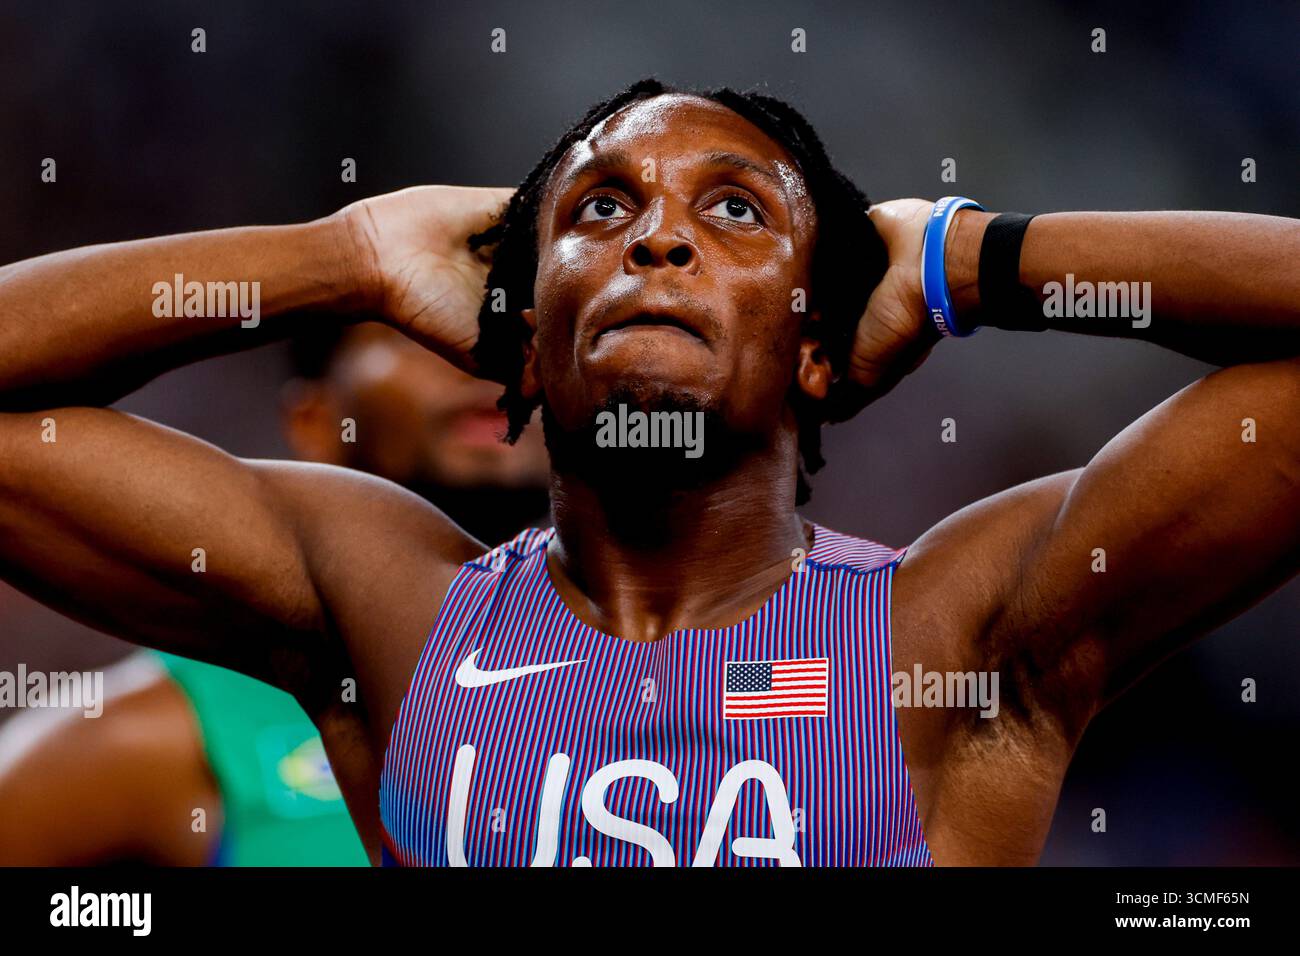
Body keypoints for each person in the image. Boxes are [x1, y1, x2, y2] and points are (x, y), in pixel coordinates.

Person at [0, 78, 1296, 866]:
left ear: (819, 345)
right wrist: (342, 254)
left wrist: (976, 260)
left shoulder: (953, 636)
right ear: (520, 345)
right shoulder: (389, 611)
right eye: (597, 212)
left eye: (737, 210)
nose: (659, 237)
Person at [0, 324, 547, 865]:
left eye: (514, 336)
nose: (481, 361)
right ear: (315, 421)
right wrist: (348, 255)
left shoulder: (625, 679)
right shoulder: (148, 737)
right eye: (422, 335)